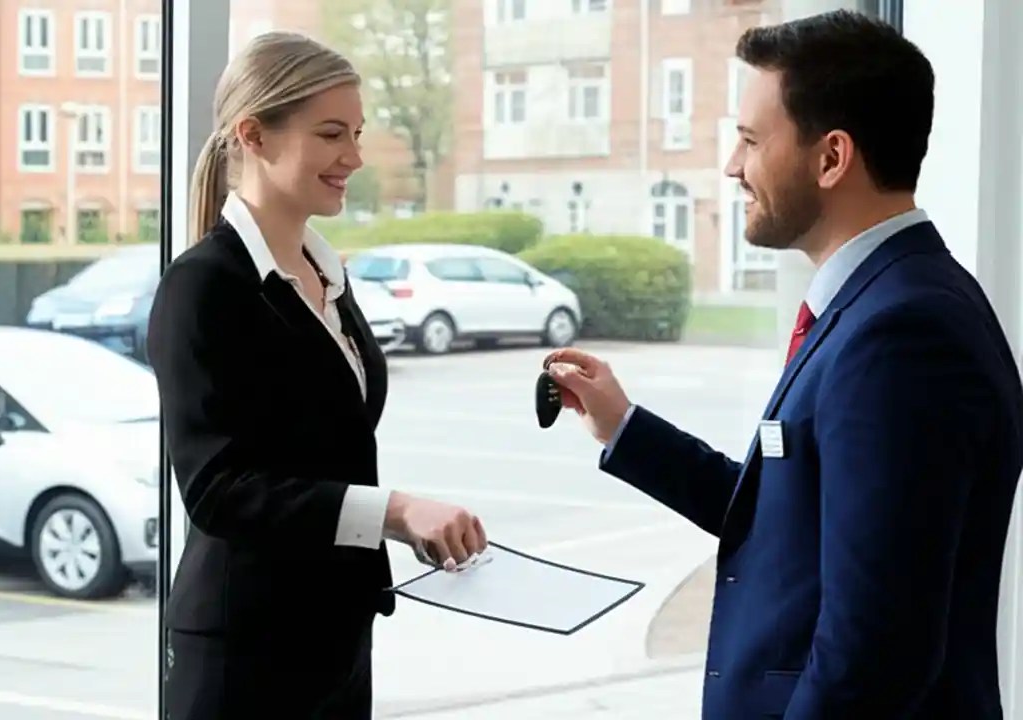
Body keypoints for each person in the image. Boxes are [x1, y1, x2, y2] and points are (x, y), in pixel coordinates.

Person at [546, 11, 1023, 720]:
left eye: (748, 141)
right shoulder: (884, 301)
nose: (733, 167)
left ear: (832, 158)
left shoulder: (904, 335)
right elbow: (787, 521)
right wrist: (626, 430)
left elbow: (875, 652)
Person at [145, 31, 488, 719]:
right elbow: (217, 491)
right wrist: (394, 511)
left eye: (356, 133)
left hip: (332, 640)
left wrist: (402, 526)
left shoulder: (326, 275)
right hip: (243, 654)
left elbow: (324, 449)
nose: (354, 158)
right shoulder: (202, 287)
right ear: (255, 135)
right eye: (332, 134)